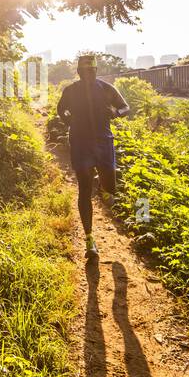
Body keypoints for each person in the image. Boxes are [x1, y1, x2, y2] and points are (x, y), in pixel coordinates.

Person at [56, 55, 129, 259]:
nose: (88, 74)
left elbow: (125, 107)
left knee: (111, 189)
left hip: (104, 142)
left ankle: (103, 186)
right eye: (84, 71)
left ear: (96, 71)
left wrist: (116, 112)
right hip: (80, 143)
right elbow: (61, 109)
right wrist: (69, 122)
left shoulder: (107, 89)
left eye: (92, 71)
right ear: (78, 72)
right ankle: (89, 240)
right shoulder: (70, 91)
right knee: (84, 189)